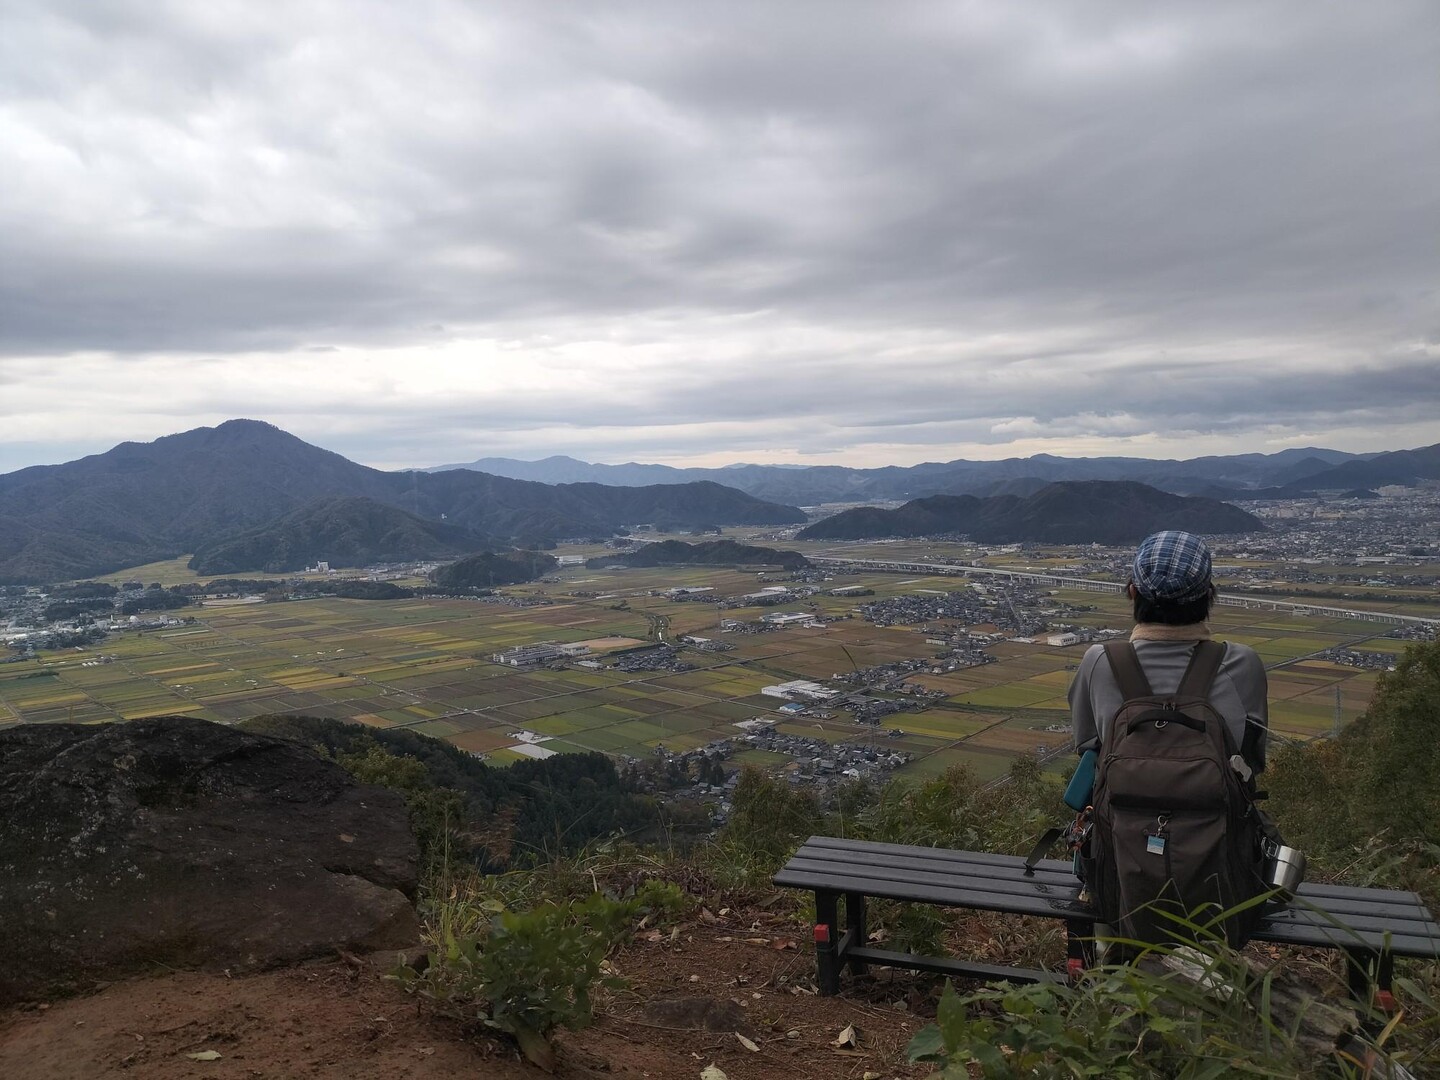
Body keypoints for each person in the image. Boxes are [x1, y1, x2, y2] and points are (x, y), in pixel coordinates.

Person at [1069, 530, 1268, 775]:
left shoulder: (1099, 661)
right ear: (1208, 596)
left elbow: (1087, 745)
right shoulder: (1242, 663)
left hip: (1123, 810)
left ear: (1133, 593)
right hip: (1216, 811)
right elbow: (1253, 757)